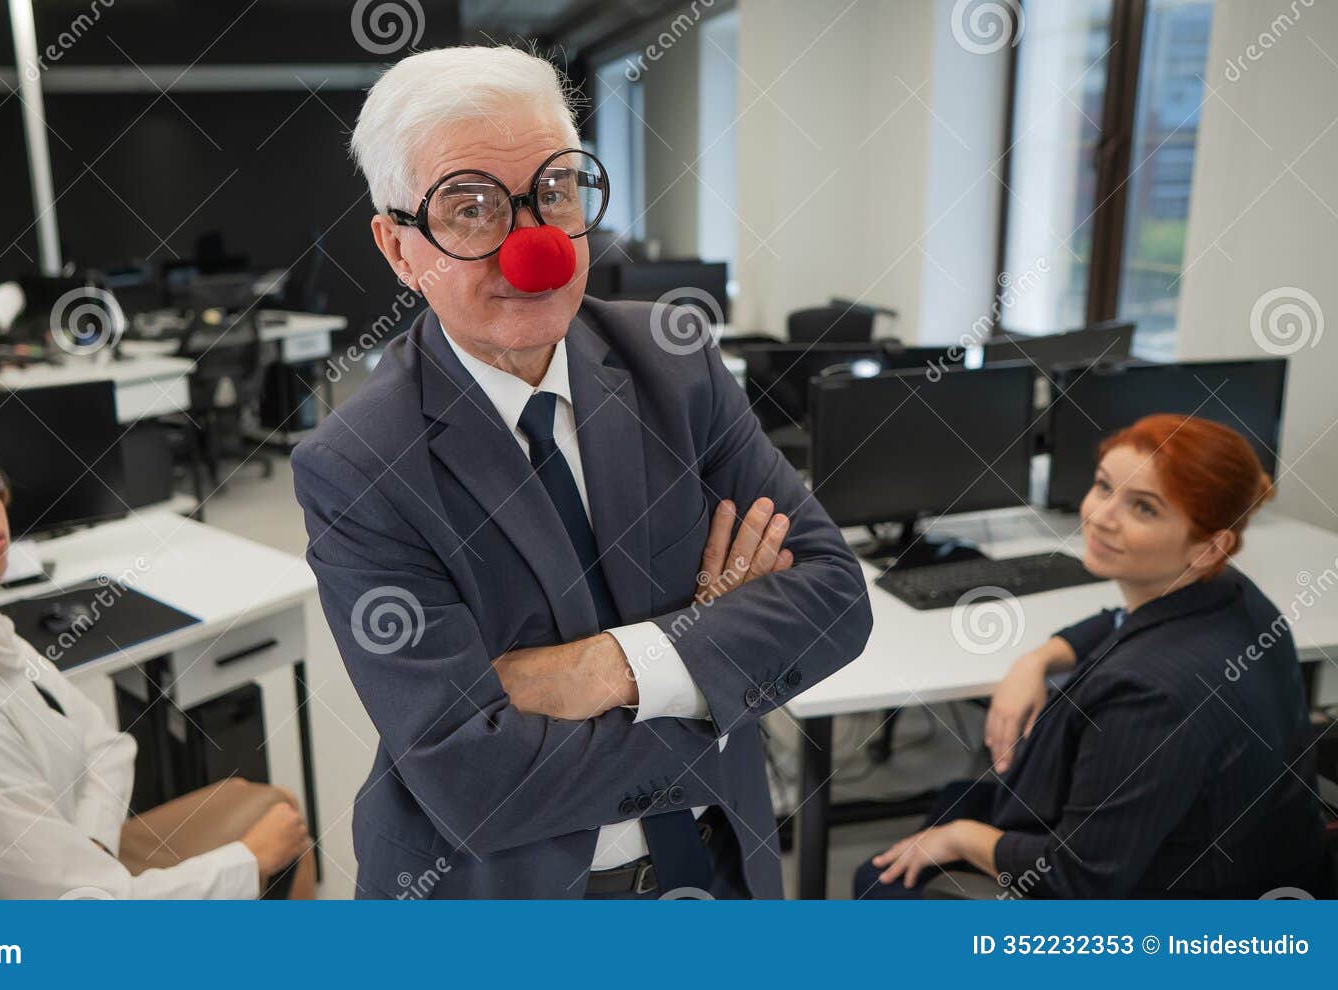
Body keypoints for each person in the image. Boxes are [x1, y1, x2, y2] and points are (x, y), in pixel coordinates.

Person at [292, 45, 872, 899]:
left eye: (554, 192)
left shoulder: (674, 363)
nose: (533, 247)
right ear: (399, 248)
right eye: (471, 208)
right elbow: (477, 782)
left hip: (719, 869)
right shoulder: (357, 466)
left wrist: (603, 668)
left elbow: (833, 600)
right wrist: (714, 675)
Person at [0, 418, 316, 899]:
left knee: (270, 804)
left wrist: (88, 846)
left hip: (69, 862)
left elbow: (104, 745)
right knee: (275, 830)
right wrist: (248, 861)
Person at [860, 414, 1328, 899]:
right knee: (958, 798)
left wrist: (959, 839)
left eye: (1143, 508)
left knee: (880, 881)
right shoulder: (1231, 594)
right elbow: (1117, 620)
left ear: (1209, 547)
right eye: (1104, 486)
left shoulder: (1152, 696)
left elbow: (1078, 880)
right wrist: (1037, 660)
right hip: (1255, 871)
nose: (1101, 515)